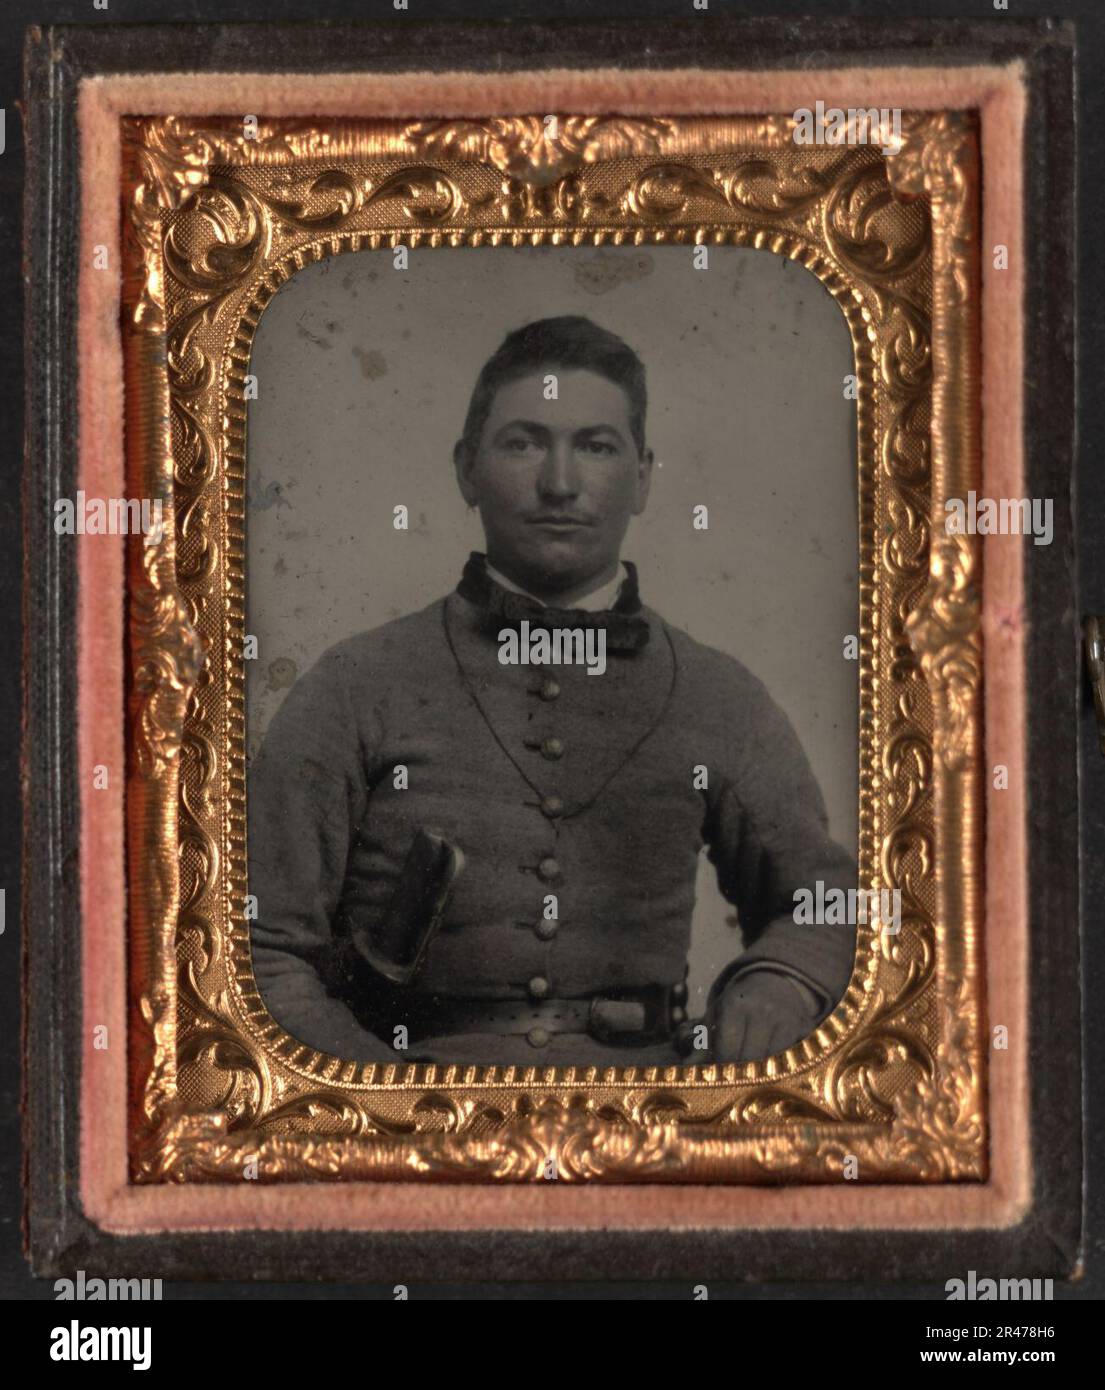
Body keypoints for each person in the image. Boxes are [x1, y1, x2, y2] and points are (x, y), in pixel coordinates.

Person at [248, 315, 856, 1066]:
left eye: (595, 447)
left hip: (652, 1123)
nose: (559, 484)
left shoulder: (719, 696)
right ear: (466, 468)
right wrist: (382, 1098)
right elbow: (262, 952)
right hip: (412, 1128)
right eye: (523, 442)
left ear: (642, 478)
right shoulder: (351, 688)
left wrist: (779, 984)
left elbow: (824, 902)